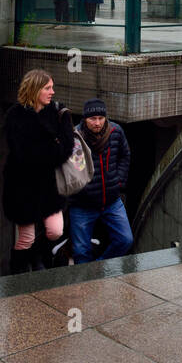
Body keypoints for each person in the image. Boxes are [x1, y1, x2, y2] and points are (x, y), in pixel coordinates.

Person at [2, 70, 76, 273]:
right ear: (35, 89)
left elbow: (66, 149)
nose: (52, 92)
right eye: (47, 88)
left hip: (49, 187)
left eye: (52, 87)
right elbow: (23, 154)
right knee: (26, 238)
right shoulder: (15, 116)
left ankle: (39, 255)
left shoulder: (58, 113)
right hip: (22, 188)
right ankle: (17, 276)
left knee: (55, 230)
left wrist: (49, 151)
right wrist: (51, 150)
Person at [68, 98, 133, 264]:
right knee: (81, 251)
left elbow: (125, 155)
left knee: (125, 240)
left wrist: (118, 182)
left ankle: (99, 269)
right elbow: (71, 170)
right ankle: (87, 284)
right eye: (92, 119)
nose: (97, 123)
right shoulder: (75, 137)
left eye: (101, 118)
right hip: (82, 205)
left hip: (111, 201)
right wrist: (83, 190)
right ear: (84, 119)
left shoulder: (116, 132)